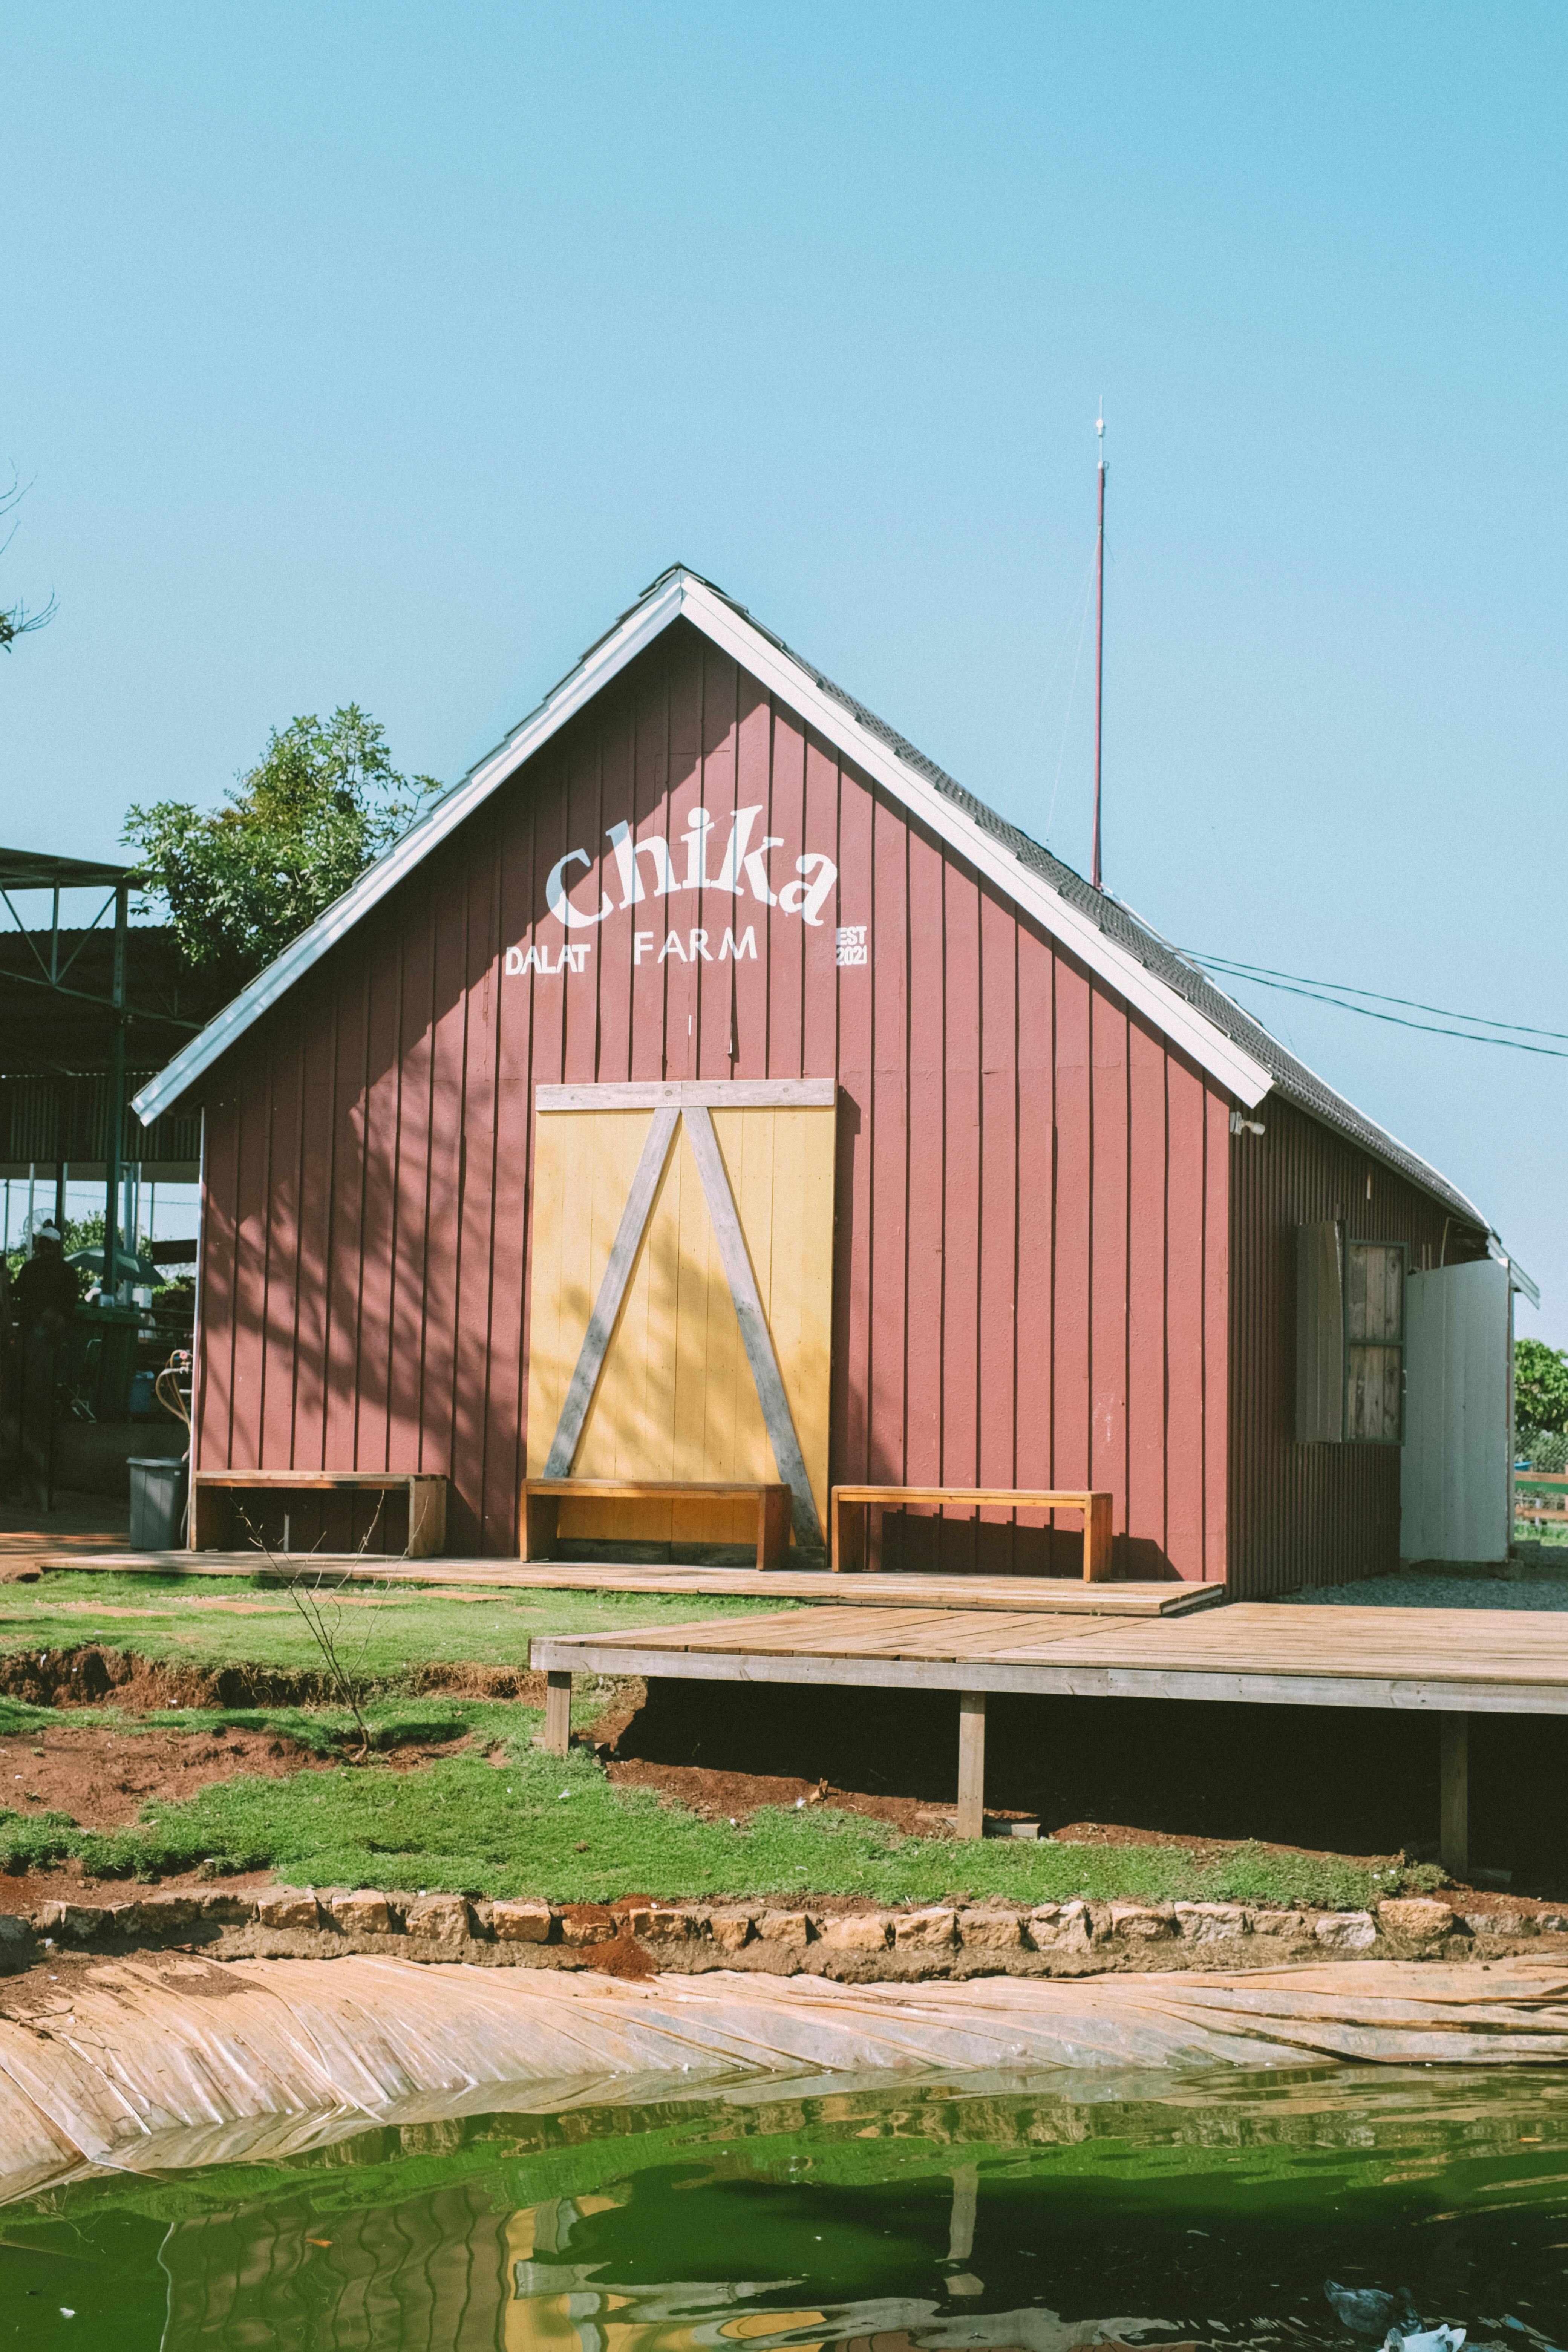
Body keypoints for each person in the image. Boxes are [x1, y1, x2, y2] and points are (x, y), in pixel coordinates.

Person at [12, 1223, 81, 1336]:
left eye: (50, 1246)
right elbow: (18, 1291)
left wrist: (56, 1313)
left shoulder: (67, 1271)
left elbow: (71, 1298)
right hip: (30, 1323)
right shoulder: (30, 1268)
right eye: (43, 1246)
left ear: (57, 1247)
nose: (46, 1250)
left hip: (55, 1326)